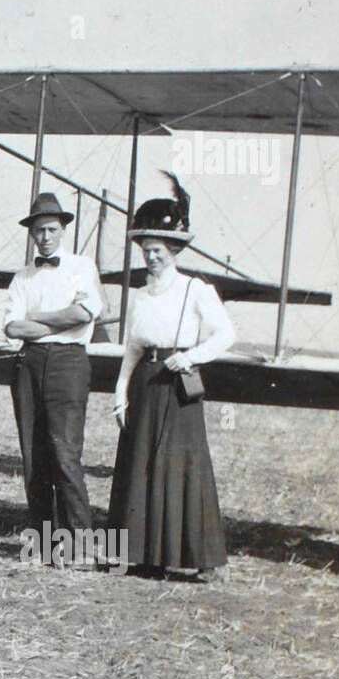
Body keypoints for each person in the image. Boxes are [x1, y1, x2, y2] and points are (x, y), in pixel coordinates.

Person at [109, 173, 235, 580]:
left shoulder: (195, 289)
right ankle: (145, 557)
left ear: (174, 250)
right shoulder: (140, 296)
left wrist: (192, 356)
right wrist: (119, 392)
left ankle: (203, 561)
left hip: (179, 385)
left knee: (183, 466)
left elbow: (226, 334)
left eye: (159, 250)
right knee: (140, 466)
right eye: (147, 250)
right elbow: (131, 349)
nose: (152, 257)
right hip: (145, 383)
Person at [3, 192, 105, 566]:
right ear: (30, 233)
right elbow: (12, 325)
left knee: (65, 453)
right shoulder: (22, 276)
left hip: (68, 363)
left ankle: (81, 546)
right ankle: (42, 544)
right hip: (29, 363)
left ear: (62, 231)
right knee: (34, 455)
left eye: (51, 229)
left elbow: (85, 314)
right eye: (38, 230)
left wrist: (39, 321)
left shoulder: (81, 266)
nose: (45, 236)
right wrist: (55, 320)